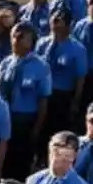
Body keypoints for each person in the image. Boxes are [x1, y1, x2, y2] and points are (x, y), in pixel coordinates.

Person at [0, 23, 52, 181]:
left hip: (26, 119)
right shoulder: (5, 64)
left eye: (21, 37)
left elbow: (43, 100)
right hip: (6, 118)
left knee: (22, 161)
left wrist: (37, 127)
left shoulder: (41, 67)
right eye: (14, 35)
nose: (16, 40)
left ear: (31, 41)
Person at [35, 9, 87, 146]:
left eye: (59, 21)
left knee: (58, 131)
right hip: (42, 94)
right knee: (40, 129)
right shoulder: (42, 44)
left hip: (62, 95)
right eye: (53, 20)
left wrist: (76, 101)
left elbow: (80, 78)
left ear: (68, 26)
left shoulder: (77, 49)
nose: (55, 24)